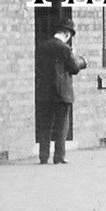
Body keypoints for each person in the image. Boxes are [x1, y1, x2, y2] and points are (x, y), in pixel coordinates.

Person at [35, 18, 87, 165]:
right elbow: (74, 68)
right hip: (63, 92)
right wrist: (80, 60)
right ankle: (59, 156)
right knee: (62, 125)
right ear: (66, 33)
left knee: (45, 125)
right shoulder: (65, 49)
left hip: (45, 92)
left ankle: (43, 156)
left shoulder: (42, 46)